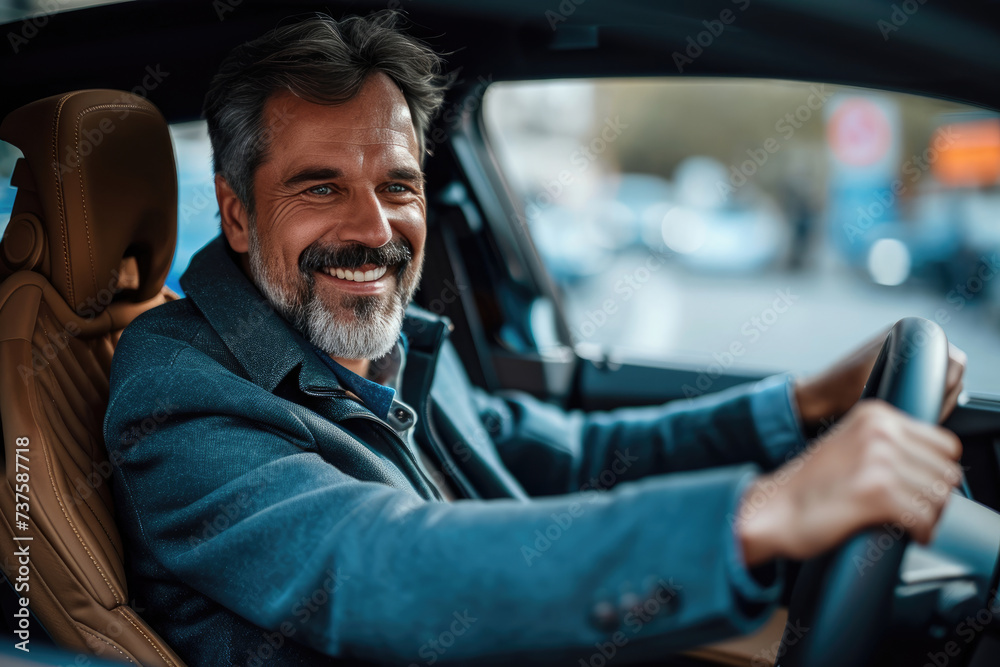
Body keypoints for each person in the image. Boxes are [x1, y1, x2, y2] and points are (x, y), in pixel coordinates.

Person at [104, 10, 967, 666]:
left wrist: (802, 403)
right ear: (236, 215)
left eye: (398, 185)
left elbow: (570, 455)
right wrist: (757, 516)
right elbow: (384, 562)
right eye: (320, 188)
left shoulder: (385, 350)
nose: (375, 228)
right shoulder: (177, 394)